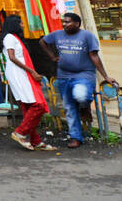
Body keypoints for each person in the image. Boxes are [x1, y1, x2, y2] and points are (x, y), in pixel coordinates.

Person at [41, 12, 117, 149]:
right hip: (63, 76)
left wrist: (105, 76)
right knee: (69, 108)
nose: (64, 24)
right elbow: (43, 42)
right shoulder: (57, 34)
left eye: (68, 22)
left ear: (77, 23)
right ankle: (76, 137)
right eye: (63, 22)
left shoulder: (87, 36)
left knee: (81, 96)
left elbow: (94, 56)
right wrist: (52, 57)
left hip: (84, 75)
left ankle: (84, 107)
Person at [0, 15, 54, 151]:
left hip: (21, 73)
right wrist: (32, 72)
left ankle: (35, 140)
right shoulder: (10, 37)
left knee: (28, 108)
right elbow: (12, 57)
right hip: (19, 74)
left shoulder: (15, 38)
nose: (23, 25)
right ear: (14, 24)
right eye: (21, 23)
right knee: (38, 105)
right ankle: (20, 132)